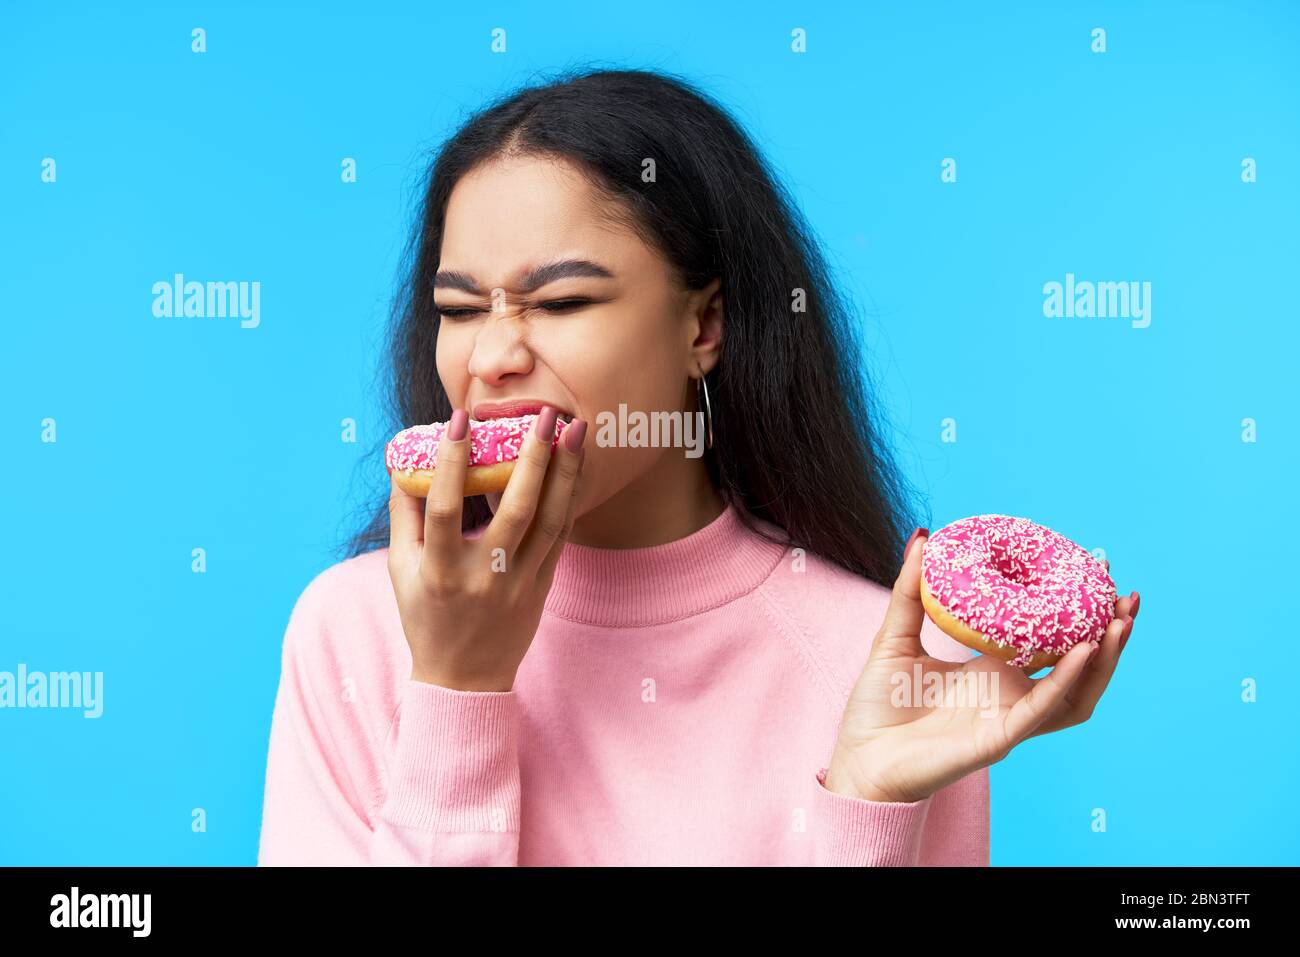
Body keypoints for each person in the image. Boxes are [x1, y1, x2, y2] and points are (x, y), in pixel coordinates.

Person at [256, 67, 1140, 866]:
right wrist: (456, 688)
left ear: (704, 326)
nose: (491, 358)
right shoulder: (355, 632)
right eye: (457, 308)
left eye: (560, 300)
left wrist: (868, 805)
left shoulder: (896, 666)